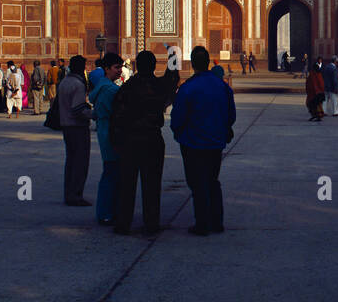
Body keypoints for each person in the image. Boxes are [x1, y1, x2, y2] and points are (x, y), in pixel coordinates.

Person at [109, 51, 179, 235]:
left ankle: (123, 223)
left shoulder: (127, 87)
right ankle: (151, 223)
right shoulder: (159, 86)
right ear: (154, 66)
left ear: (137, 66)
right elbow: (172, 84)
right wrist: (173, 58)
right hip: (152, 140)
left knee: (127, 184)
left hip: (130, 141)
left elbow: (116, 117)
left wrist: (115, 142)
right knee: (152, 185)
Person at [170, 46, 237, 236]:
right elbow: (231, 115)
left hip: (192, 143)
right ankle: (217, 222)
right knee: (213, 181)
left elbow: (178, 117)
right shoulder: (222, 86)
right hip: (215, 142)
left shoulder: (188, 88)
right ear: (208, 62)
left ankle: (202, 224)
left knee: (198, 183)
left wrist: (179, 132)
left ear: (192, 64)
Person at [91, 52, 124, 225]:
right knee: (112, 174)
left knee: (109, 172)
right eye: (116, 67)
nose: (120, 71)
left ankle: (105, 211)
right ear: (107, 68)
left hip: (104, 131)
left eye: (121, 67)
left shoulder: (102, 86)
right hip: (112, 133)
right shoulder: (111, 89)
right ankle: (106, 212)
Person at [57, 55, 94, 206]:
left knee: (71, 161)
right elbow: (78, 109)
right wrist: (94, 114)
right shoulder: (78, 85)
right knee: (80, 162)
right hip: (78, 127)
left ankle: (68, 193)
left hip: (66, 125)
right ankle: (75, 195)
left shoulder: (64, 82)